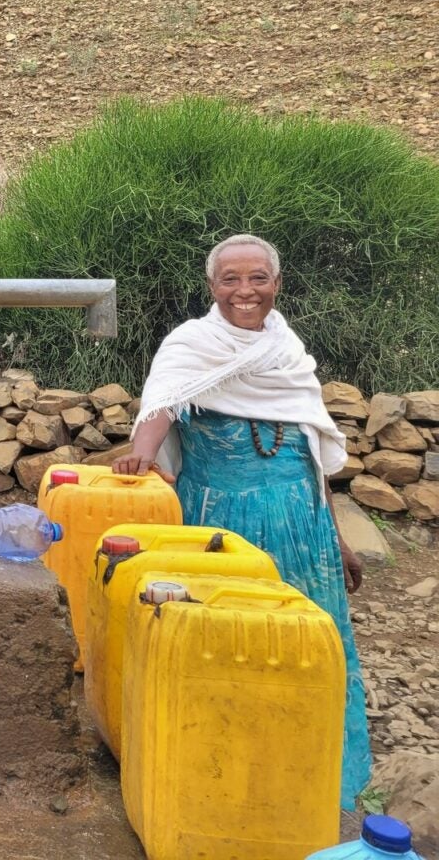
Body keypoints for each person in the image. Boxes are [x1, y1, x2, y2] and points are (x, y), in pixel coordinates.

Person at [113, 233, 373, 810]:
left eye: (257, 277)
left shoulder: (287, 350)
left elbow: (310, 454)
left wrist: (339, 540)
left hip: (302, 530)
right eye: (230, 279)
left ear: (277, 284)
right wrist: (145, 453)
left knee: (311, 644)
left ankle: (316, 783)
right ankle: (218, 778)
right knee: (222, 647)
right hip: (219, 526)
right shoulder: (192, 343)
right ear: (212, 287)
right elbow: (161, 405)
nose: (244, 291)